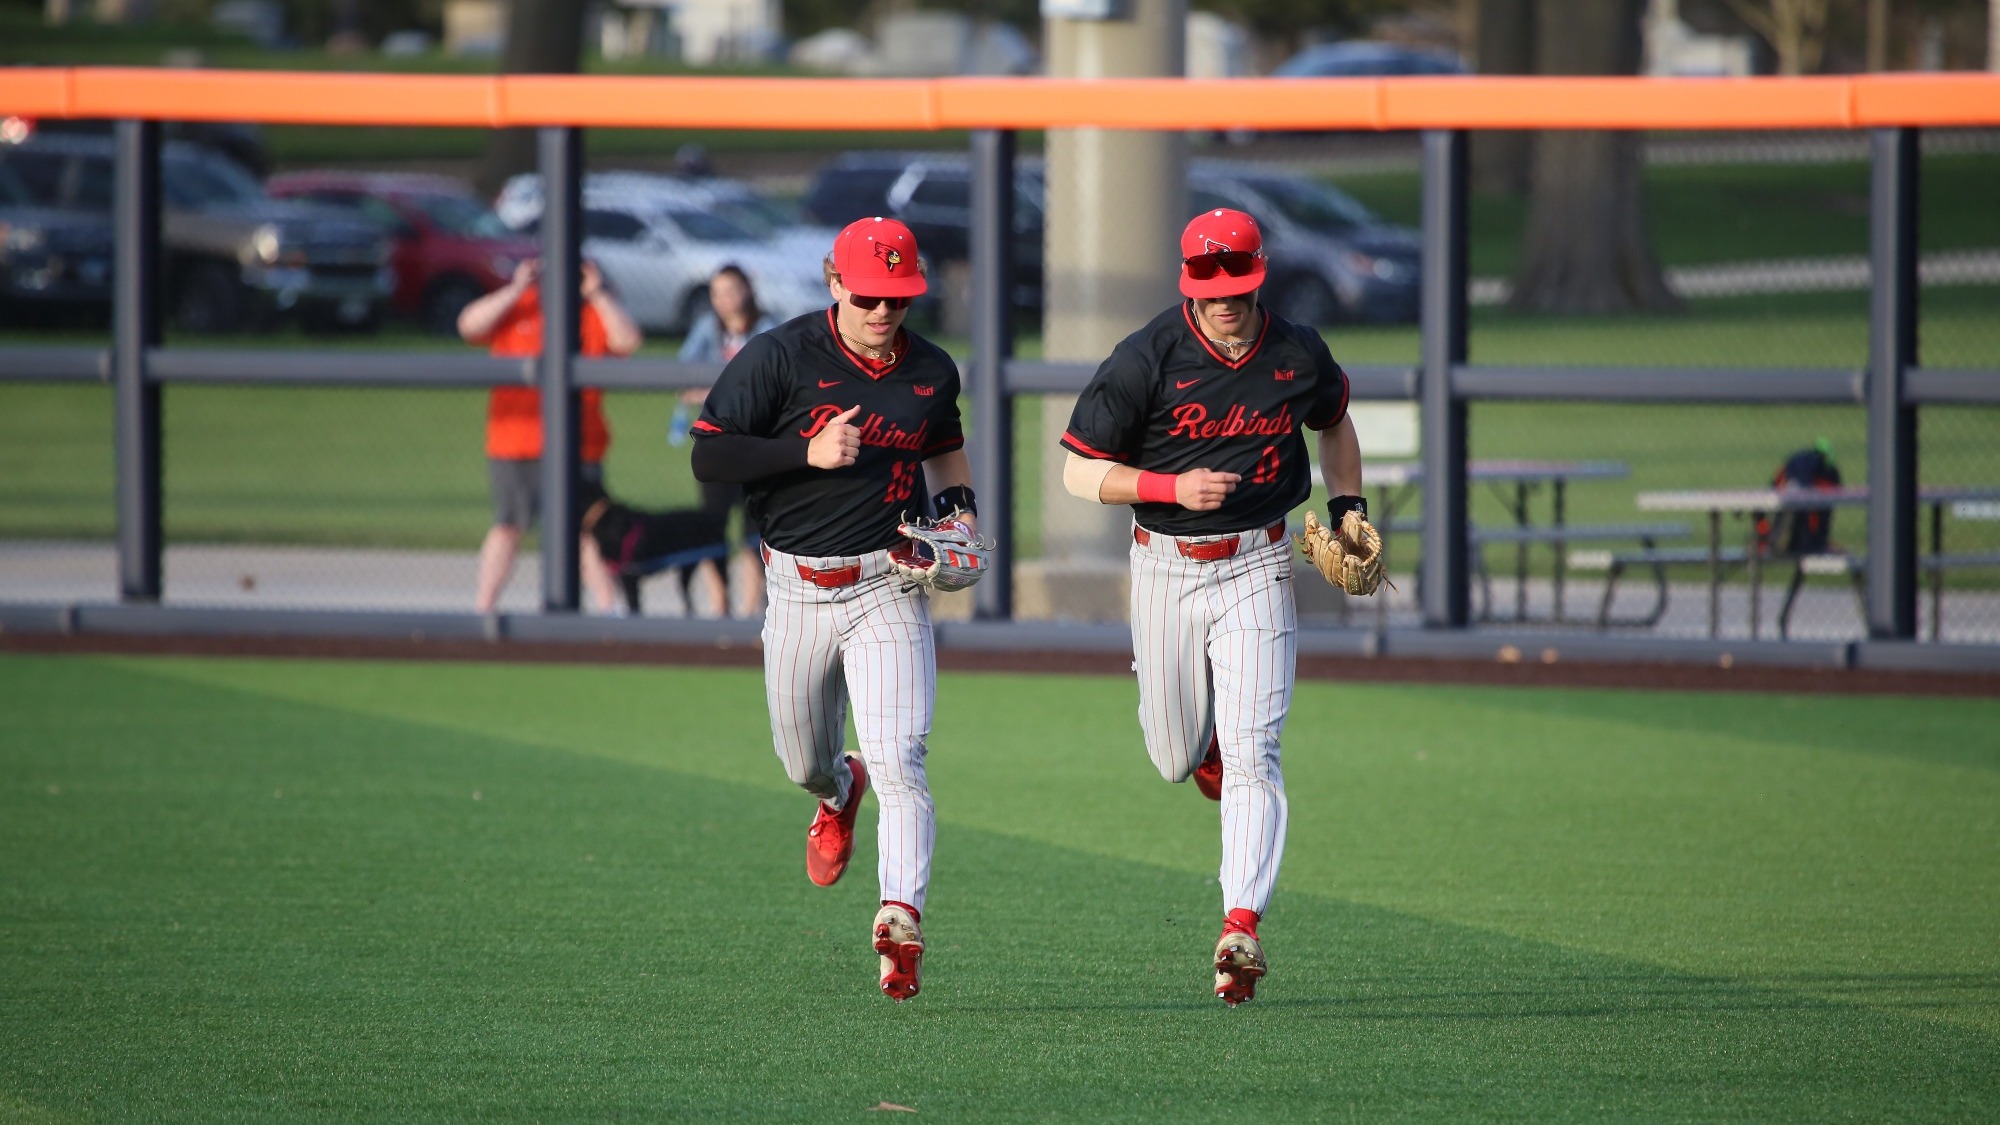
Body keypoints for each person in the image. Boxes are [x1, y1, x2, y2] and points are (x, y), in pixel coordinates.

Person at [1057, 208, 1365, 1006]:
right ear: (1188, 281)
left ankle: (1240, 926)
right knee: (1170, 753)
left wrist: (1348, 506)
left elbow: (1335, 423)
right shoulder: (1147, 357)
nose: (1226, 299)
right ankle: (1206, 753)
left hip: (1259, 563)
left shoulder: (1296, 351)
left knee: (1260, 748)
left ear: (1260, 275)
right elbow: (1079, 474)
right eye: (1210, 284)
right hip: (1164, 565)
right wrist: (1168, 486)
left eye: (1239, 283)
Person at [689, 217, 981, 1002]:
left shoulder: (930, 368)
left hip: (887, 583)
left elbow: (943, 443)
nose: (885, 311)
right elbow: (709, 452)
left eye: (900, 297)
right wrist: (803, 450)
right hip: (795, 588)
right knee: (804, 761)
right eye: (870, 295)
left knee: (903, 760)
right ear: (834, 284)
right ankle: (833, 792)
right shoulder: (780, 356)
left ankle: (900, 917)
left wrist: (960, 514)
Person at [457, 258, 643, 615]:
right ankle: (484, 607)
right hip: (516, 442)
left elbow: (628, 340)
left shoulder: (591, 314)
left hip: (580, 444)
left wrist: (598, 293)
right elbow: (468, 326)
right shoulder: (520, 306)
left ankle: (608, 608)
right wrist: (515, 288)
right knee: (510, 524)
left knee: (587, 530)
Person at [676, 264, 779, 618]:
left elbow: (767, 383)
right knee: (711, 529)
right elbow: (682, 377)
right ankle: (720, 608)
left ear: (748, 289)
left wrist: (714, 393)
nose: (724, 300)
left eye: (732, 290)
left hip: (757, 448)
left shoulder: (767, 328)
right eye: (716, 293)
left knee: (755, 535)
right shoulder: (708, 329)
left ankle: (752, 612)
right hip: (717, 446)